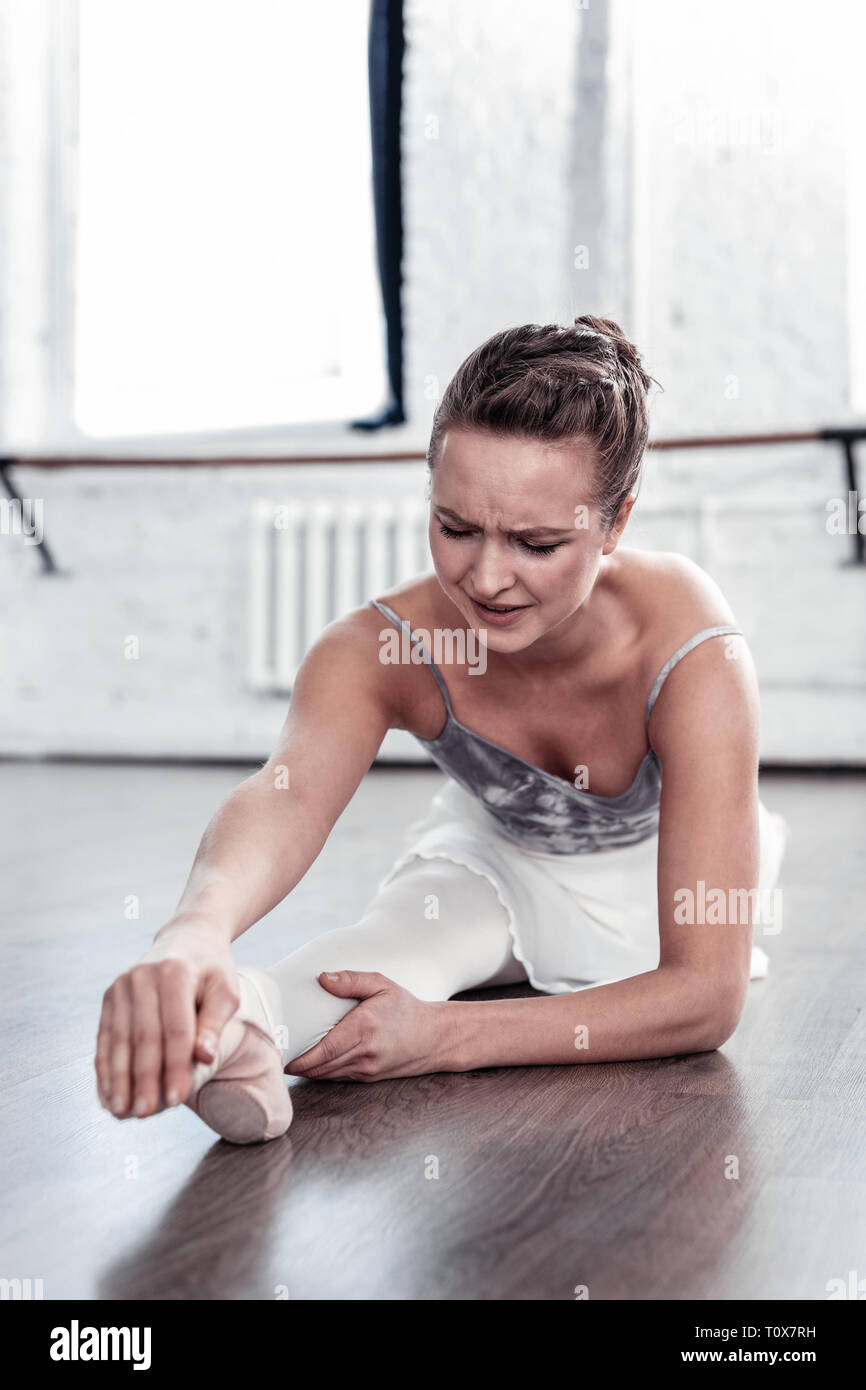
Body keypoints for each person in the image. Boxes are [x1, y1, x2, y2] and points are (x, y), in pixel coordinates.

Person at [94, 315, 789, 1145]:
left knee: (456, 996)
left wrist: (447, 1038)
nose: (487, 578)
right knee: (394, 945)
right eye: (456, 528)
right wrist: (194, 932)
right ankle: (242, 1029)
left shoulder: (693, 649)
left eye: (536, 542)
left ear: (616, 523)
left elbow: (706, 996)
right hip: (496, 855)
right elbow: (287, 795)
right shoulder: (382, 645)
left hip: (660, 872)